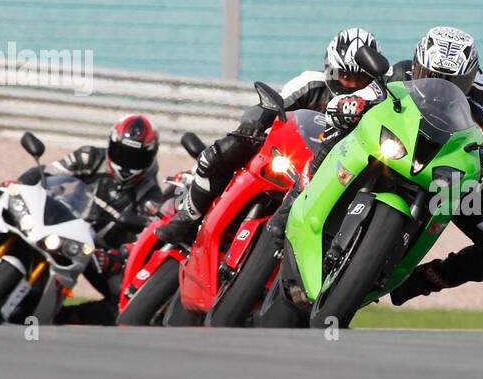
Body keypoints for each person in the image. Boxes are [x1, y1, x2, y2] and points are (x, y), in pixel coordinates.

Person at [257, 25, 483, 305]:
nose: (438, 84)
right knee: (338, 135)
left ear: (470, 78)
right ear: (418, 64)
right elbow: (365, 97)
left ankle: (415, 282)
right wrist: (349, 106)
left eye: (452, 81)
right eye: (430, 75)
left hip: (447, 180)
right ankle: (286, 214)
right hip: (396, 154)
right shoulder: (401, 73)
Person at [155, 27, 381, 246]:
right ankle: (188, 215)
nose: (350, 85)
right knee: (226, 150)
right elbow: (273, 105)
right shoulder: (312, 83)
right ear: (330, 69)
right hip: (284, 152)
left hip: (323, 171)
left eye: (359, 80)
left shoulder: (371, 103)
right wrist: (252, 125)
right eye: (345, 76)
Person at [0, 114, 165, 324]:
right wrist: (20, 184)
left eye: (137, 157)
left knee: (126, 301)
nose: (128, 162)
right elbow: (47, 172)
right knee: (4, 192)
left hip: (96, 251)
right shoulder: (88, 156)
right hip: (63, 219)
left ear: (150, 156)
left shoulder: (150, 198)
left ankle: (66, 319)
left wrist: (118, 255)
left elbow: (143, 240)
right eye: (123, 153)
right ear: (111, 144)